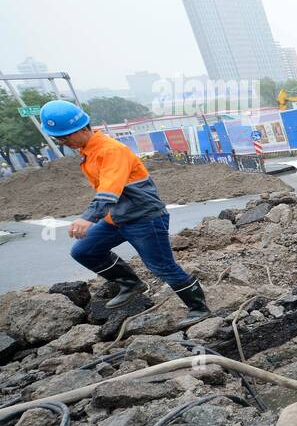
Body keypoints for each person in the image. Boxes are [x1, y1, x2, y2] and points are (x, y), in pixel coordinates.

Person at [38, 100, 211, 326]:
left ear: (82, 128)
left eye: (65, 136)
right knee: (84, 250)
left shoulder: (110, 150)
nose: (63, 142)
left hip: (144, 218)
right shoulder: (90, 151)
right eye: (58, 138)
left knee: (161, 266)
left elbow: (110, 191)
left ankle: (199, 308)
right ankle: (130, 283)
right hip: (118, 218)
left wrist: (87, 218)